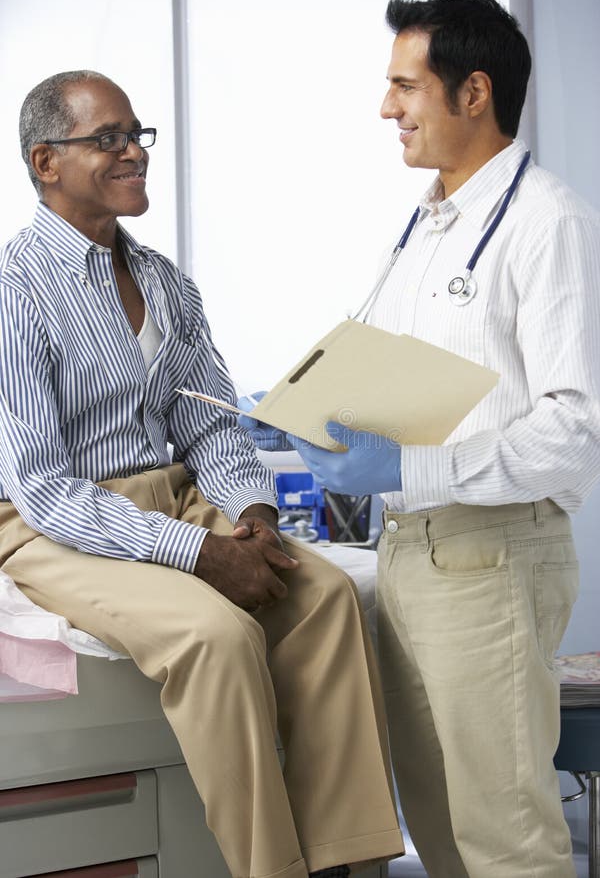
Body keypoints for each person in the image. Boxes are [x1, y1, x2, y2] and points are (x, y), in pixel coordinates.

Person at [0, 70, 405, 878]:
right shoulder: (14, 291)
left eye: (137, 135)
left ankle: (346, 859)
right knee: (215, 635)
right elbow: (42, 484)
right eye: (107, 139)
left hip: (176, 495)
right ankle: (271, 868)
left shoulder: (163, 281)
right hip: (56, 520)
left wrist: (252, 514)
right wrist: (198, 555)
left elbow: (211, 421)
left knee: (322, 595)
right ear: (46, 160)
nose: (133, 153)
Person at [239, 0, 600, 878]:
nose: (386, 108)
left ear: (473, 92)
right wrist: (306, 409)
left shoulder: (547, 222)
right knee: (436, 831)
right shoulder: (426, 226)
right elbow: (391, 374)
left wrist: (413, 462)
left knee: (505, 837)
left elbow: (576, 427)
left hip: (491, 552)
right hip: (410, 552)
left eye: (405, 86)